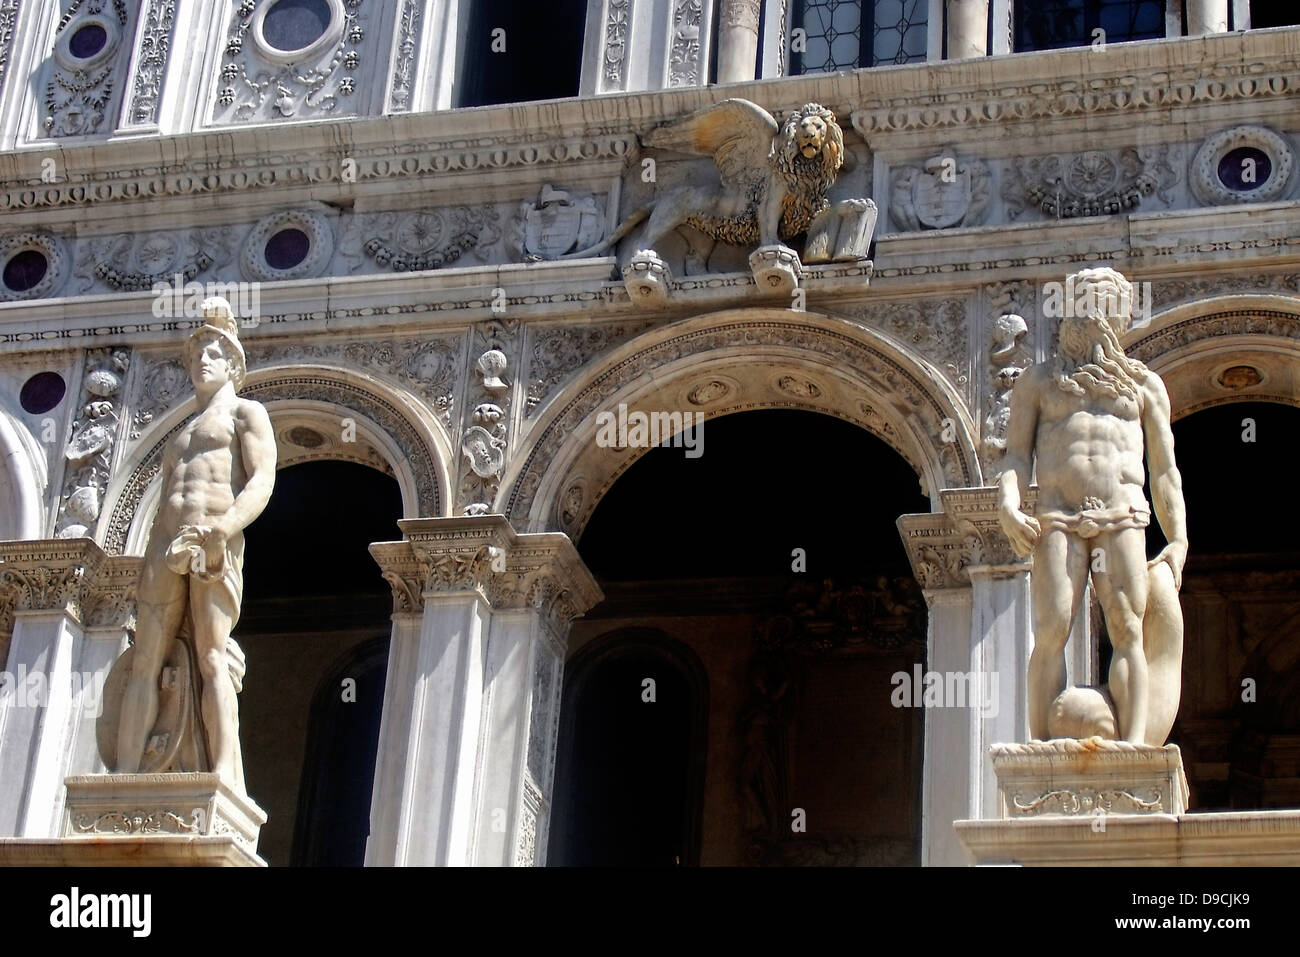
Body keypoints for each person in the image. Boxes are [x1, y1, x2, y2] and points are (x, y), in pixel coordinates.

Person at [997, 268, 1187, 744]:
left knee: (1127, 628)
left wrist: (1179, 538)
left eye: (1104, 305)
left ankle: (1135, 748)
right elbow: (1017, 455)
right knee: (1051, 628)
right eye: (1084, 305)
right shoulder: (1038, 382)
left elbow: (1164, 470)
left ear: (1119, 316)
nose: (1093, 315)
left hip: (1123, 514)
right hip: (1057, 517)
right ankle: (1040, 750)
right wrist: (1007, 503)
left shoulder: (1144, 385)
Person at [115, 298, 275, 784]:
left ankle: (224, 771)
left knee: (211, 654)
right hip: (166, 545)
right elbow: (168, 496)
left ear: (233, 364)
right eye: (195, 356)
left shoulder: (246, 413)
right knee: (147, 656)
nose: (201, 361)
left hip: (214, 540)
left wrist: (224, 529)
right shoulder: (179, 434)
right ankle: (125, 771)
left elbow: (262, 478)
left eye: (212, 353)